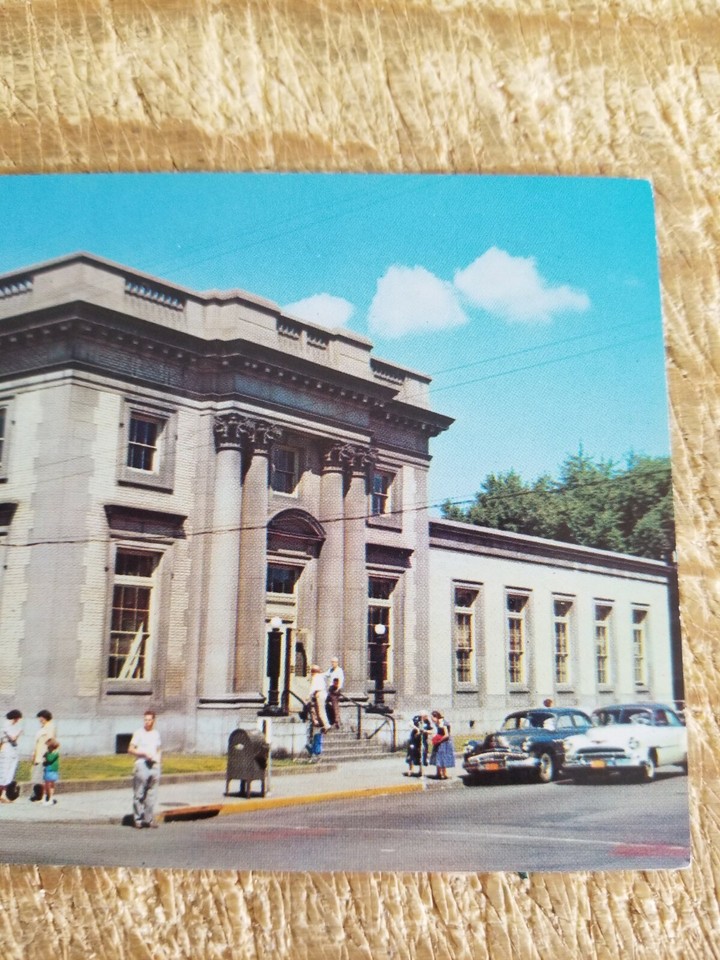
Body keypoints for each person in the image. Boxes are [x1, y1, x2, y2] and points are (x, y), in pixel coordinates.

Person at [128, 710, 162, 828]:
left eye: (149, 720)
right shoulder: (139, 733)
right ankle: (138, 819)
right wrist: (143, 753)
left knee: (152, 793)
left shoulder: (156, 733)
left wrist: (158, 759)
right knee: (139, 792)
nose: (147, 722)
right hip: (142, 763)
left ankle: (149, 819)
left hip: (154, 764)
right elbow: (130, 749)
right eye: (145, 720)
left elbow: (158, 748)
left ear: (153, 720)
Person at [30, 710, 56, 802]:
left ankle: (47, 796)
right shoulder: (43, 727)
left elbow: (51, 741)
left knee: (46, 777)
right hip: (39, 755)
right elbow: (37, 743)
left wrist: (48, 755)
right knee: (40, 776)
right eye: (39, 718)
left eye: (41, 717)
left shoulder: (49, 726)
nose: (40, 719)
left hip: (45, 755)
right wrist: (34, 754)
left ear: (45, 717)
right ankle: (41, 796)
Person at [306, 664, 330, 760]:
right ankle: (319, 722)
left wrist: (308, 696)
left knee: (320, 711)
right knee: (318, 710)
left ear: (313, 671)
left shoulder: (316, 678)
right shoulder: (320, 677)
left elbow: (313, 688)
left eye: (311, 671)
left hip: (319, 694)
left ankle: (326, 725)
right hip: (322, 694)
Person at [0, 709, 23, 802]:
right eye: (17, 718)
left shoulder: (12, 725)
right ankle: (2, 794)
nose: (17, 721)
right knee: (4, 772)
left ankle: (3, 794)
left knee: (8, 773)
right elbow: (13, 738)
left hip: (10, 750)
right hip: (7, 750)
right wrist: (19, 732)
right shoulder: (7, 725)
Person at [429, 710, 456, 781]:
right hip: (439, 741)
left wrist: (439, 740)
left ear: (436, 717)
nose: (432, 719)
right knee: (438, 756)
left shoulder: (443, 723)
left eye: (432, 718)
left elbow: (446, 735)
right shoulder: (437, 723)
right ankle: (438, 773)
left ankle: (444, 774)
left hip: (444, 742)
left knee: (443, 757)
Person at [324, 657, 345, 728]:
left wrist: (338, 689)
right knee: (326, 703)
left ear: (337, 663)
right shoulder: (331, 670)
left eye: (334, 662)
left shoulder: (339, 670)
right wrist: (318, 674)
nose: (333, 663)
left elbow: (341, 680)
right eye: (332, 662)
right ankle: (331, 719)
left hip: (335, 689)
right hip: (330, 689)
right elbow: (326, 674)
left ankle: (337, 721)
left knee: (335, 705)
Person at [42, 738, 60, 805]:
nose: (47, 748)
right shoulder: (49, 753)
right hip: (47, 769)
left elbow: (50, 759)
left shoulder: (55, 753)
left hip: (52, 770)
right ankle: (46, 797)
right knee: (46, 784)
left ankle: (50, 798)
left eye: (48, 747)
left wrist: (46, 755)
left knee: (51, 784)